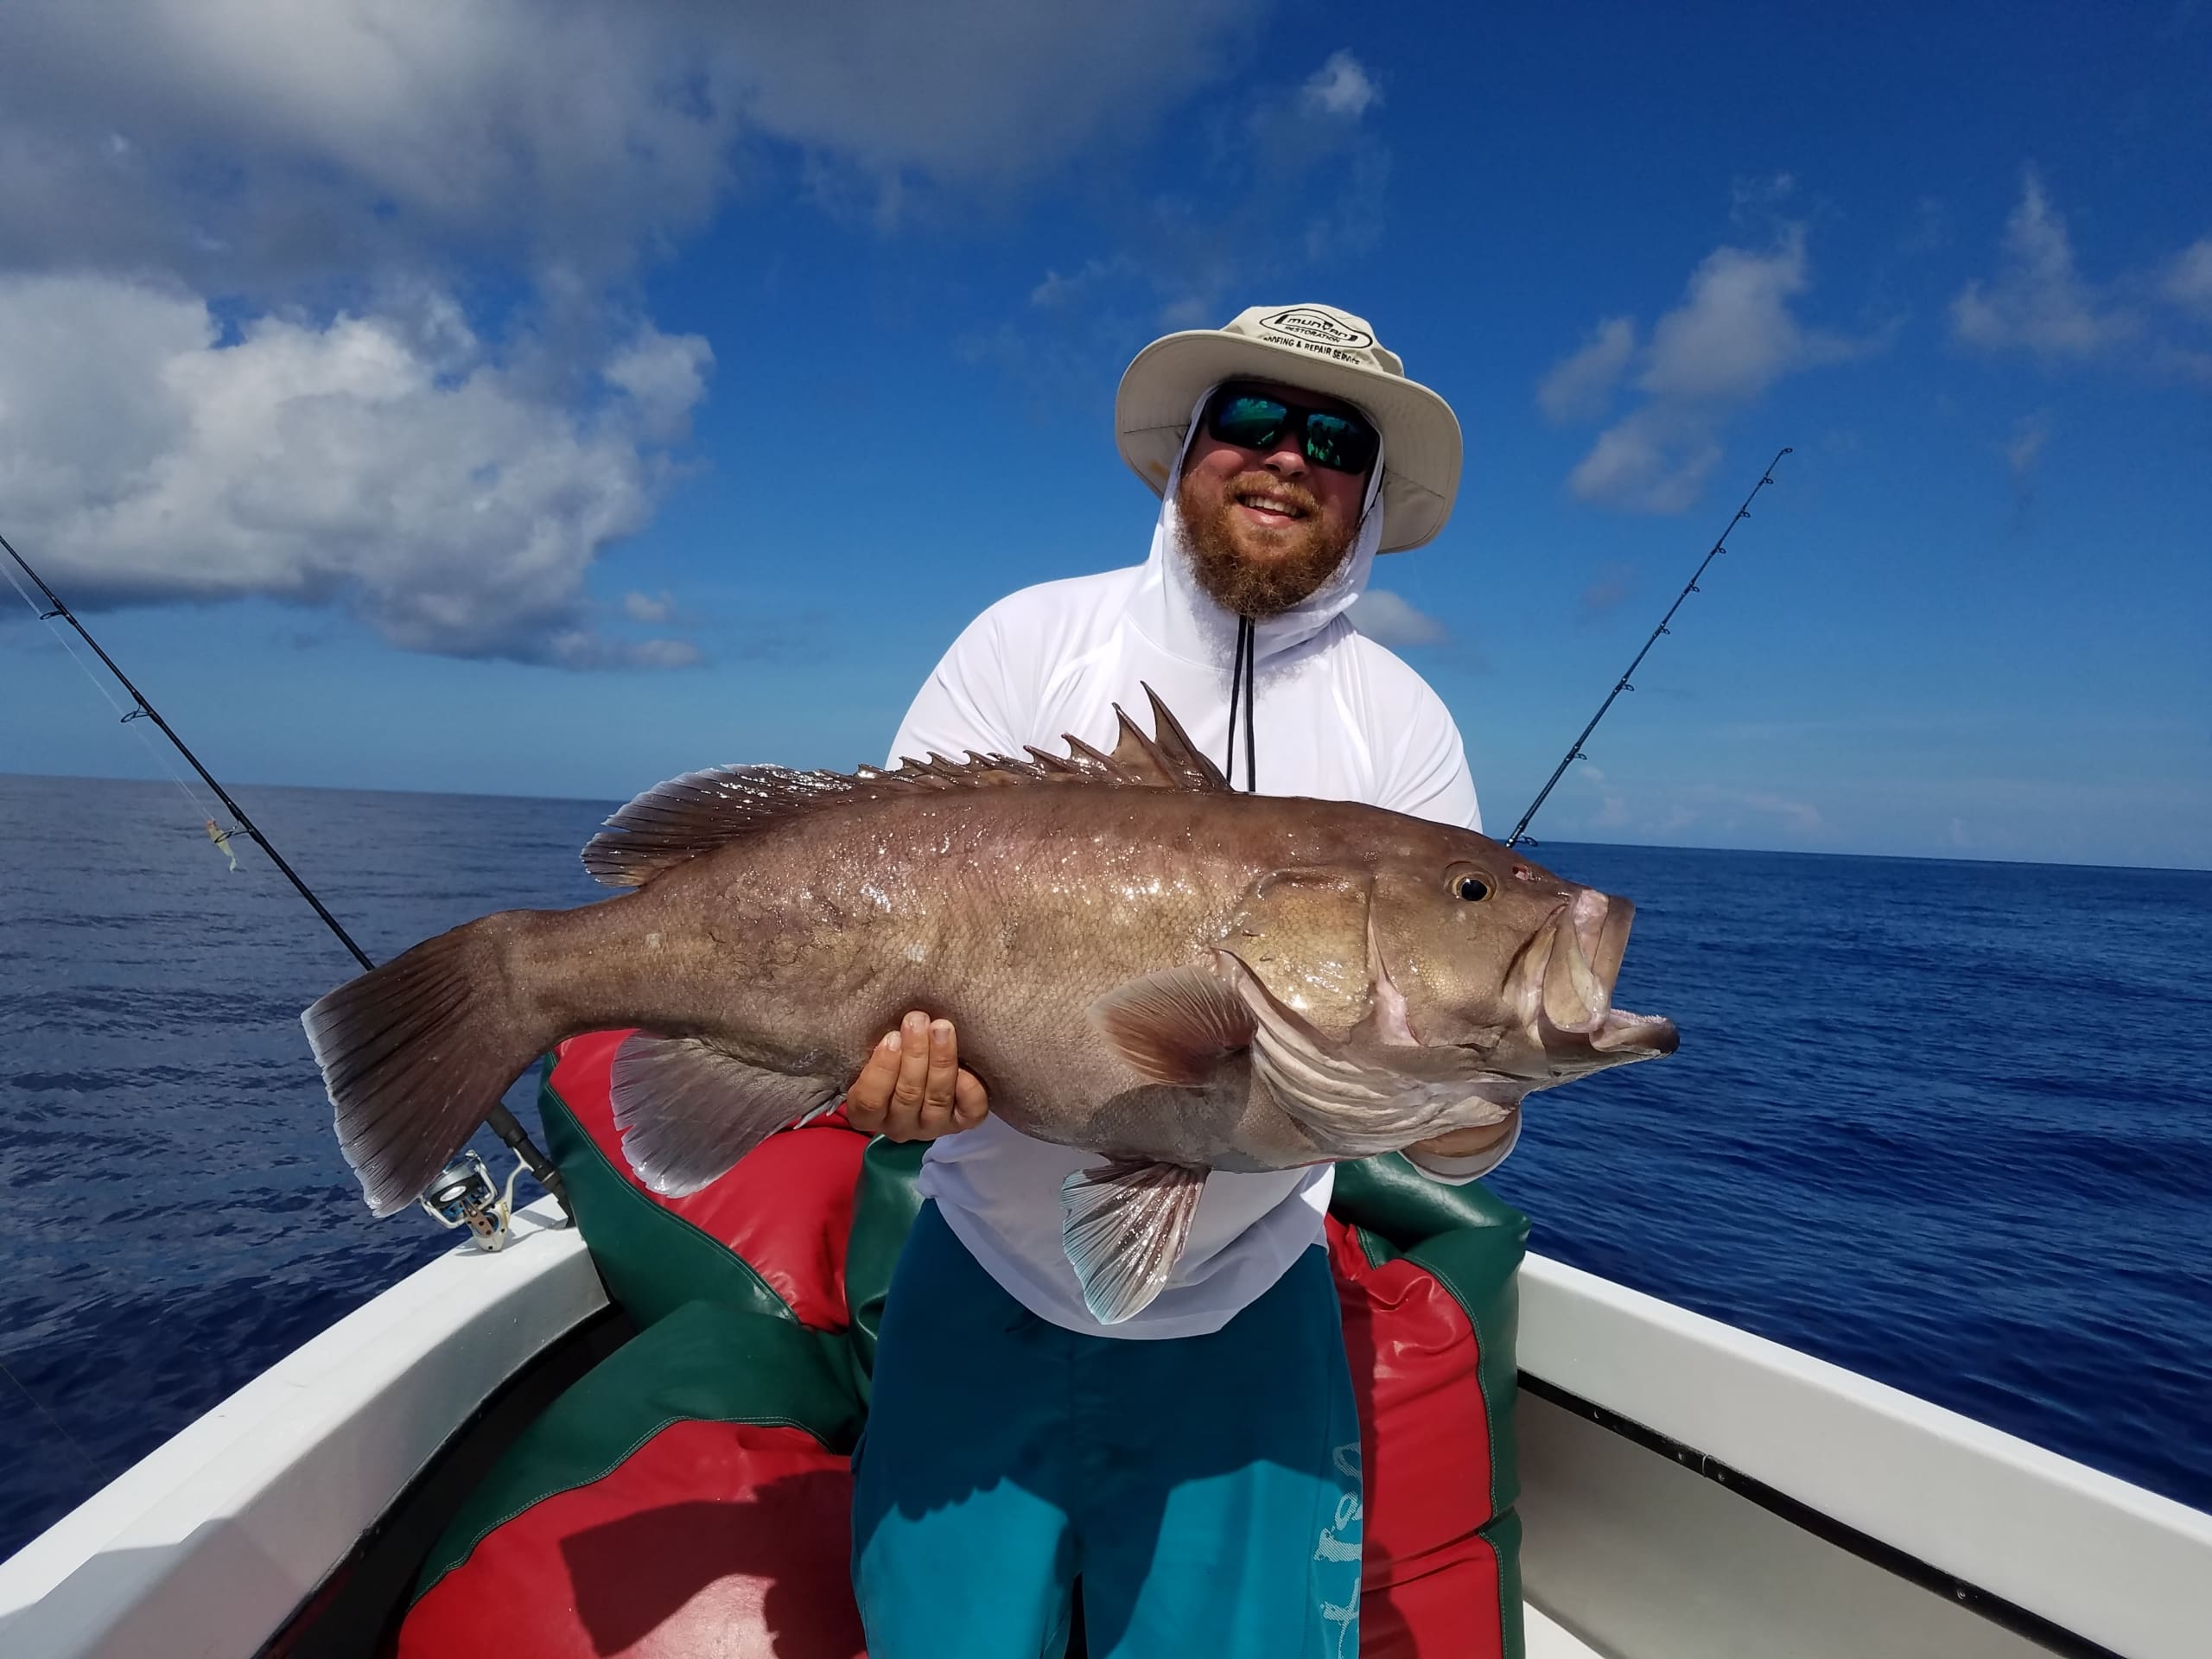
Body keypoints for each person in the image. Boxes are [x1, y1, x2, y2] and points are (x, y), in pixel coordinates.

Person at [842, 303, 1515, 1658]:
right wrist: (884, 1081)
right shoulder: (1029, 644)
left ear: (1367, 496)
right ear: (1189, 450)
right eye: (1250, 421)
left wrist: (1482, 1099)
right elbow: (878, 902)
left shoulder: (1406, 728)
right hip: (980, 1267)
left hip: (1255, 1306)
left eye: (1332, 440)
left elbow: (1457, 1119)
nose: (1285, 458)